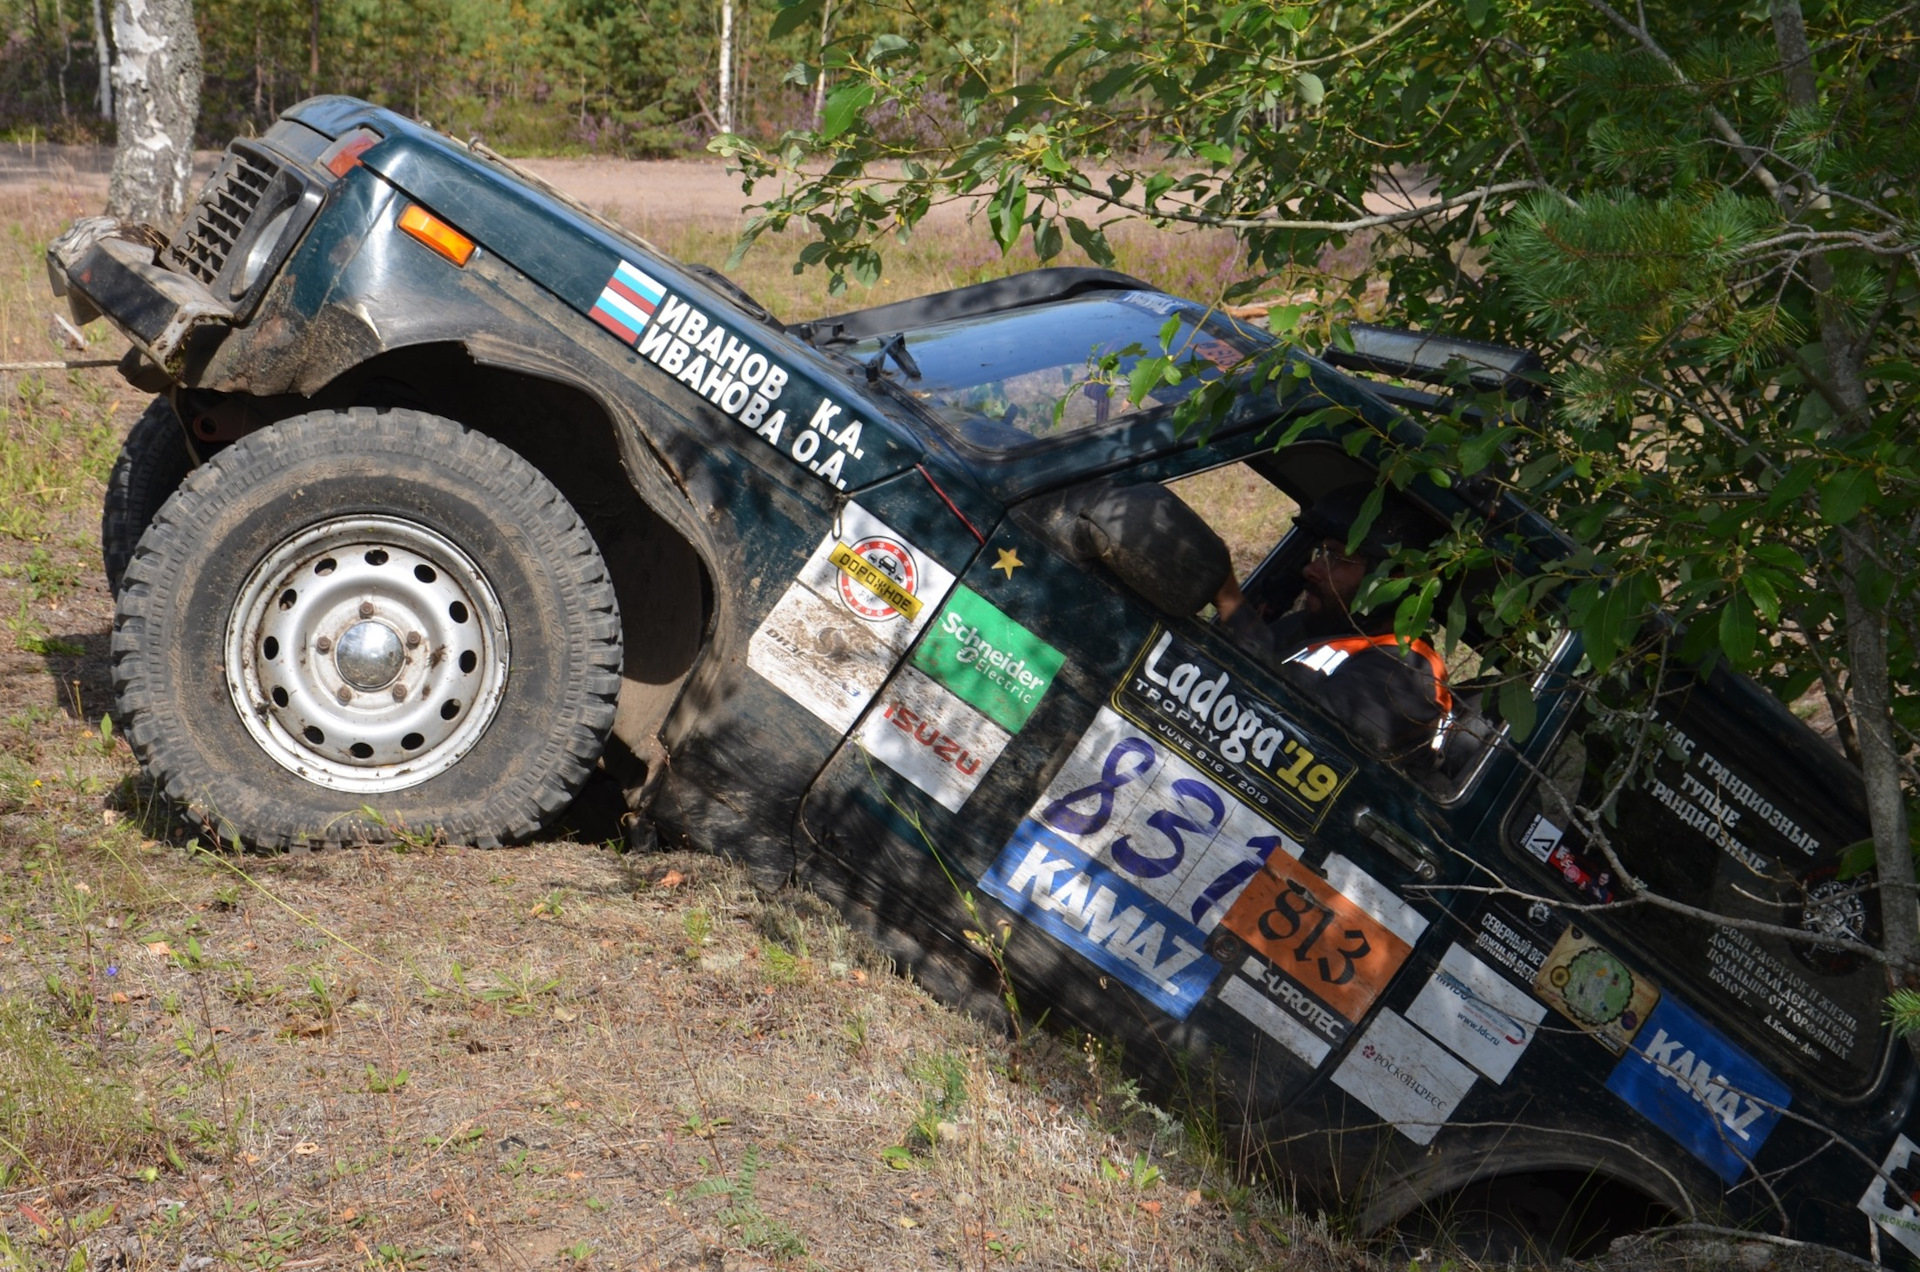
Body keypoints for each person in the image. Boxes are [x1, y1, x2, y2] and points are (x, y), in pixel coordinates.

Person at [1213, 485, 1454, 760]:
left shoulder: (1408, 672)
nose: (1311, 569)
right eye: (1320, 554)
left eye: (1335, 558)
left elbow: (1309, 740)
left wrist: (1230, 602)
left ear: (1393, 581)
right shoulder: (1315, 627)